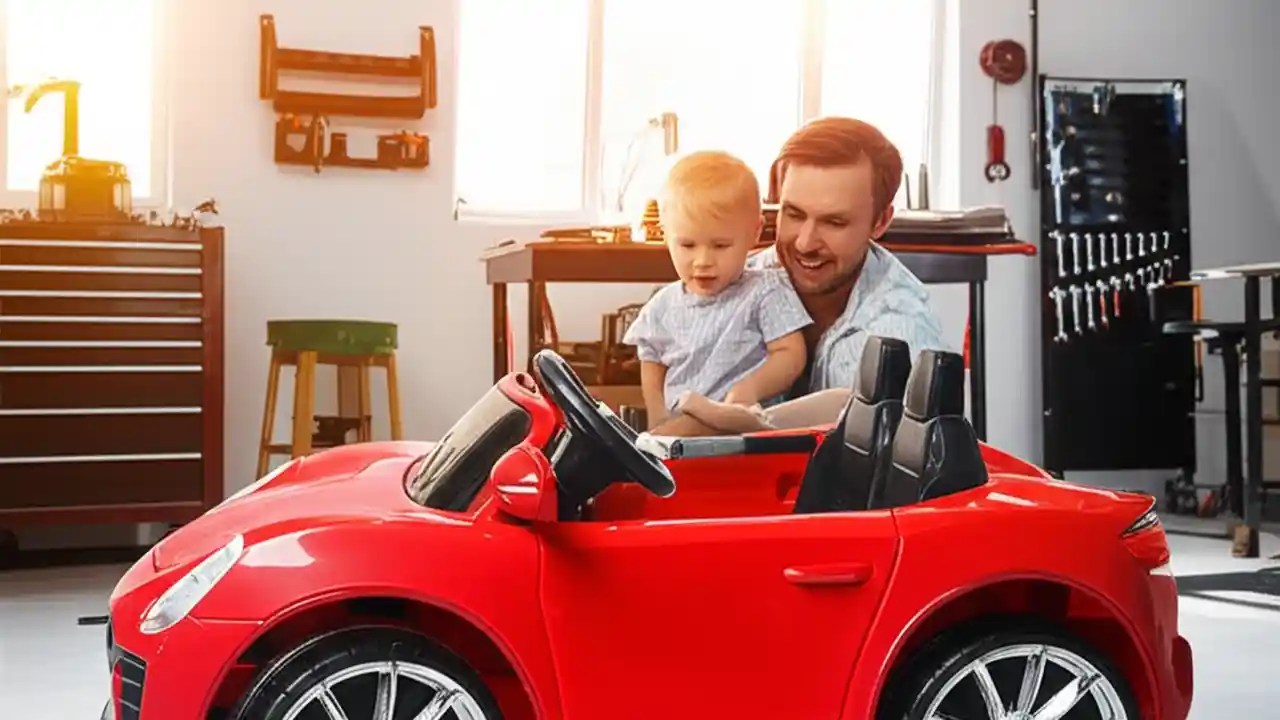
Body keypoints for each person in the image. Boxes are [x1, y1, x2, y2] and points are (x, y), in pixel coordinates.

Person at [649, 117, 948, 436]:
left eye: (834, 222)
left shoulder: (899, 330)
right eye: (793, 214)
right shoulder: (734, 279)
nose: (805, 243)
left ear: (880, 222)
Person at [622, 150, 813, 428]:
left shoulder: (766, 290)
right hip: (680, 425)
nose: (703, 262)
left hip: (742, 425)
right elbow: (651, 359)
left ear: (755, 232)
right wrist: (656, 414)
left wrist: (750, 389)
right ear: (665, 234)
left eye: (721, 246)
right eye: (687, 245)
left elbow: (791, 354)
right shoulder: (662, 304)